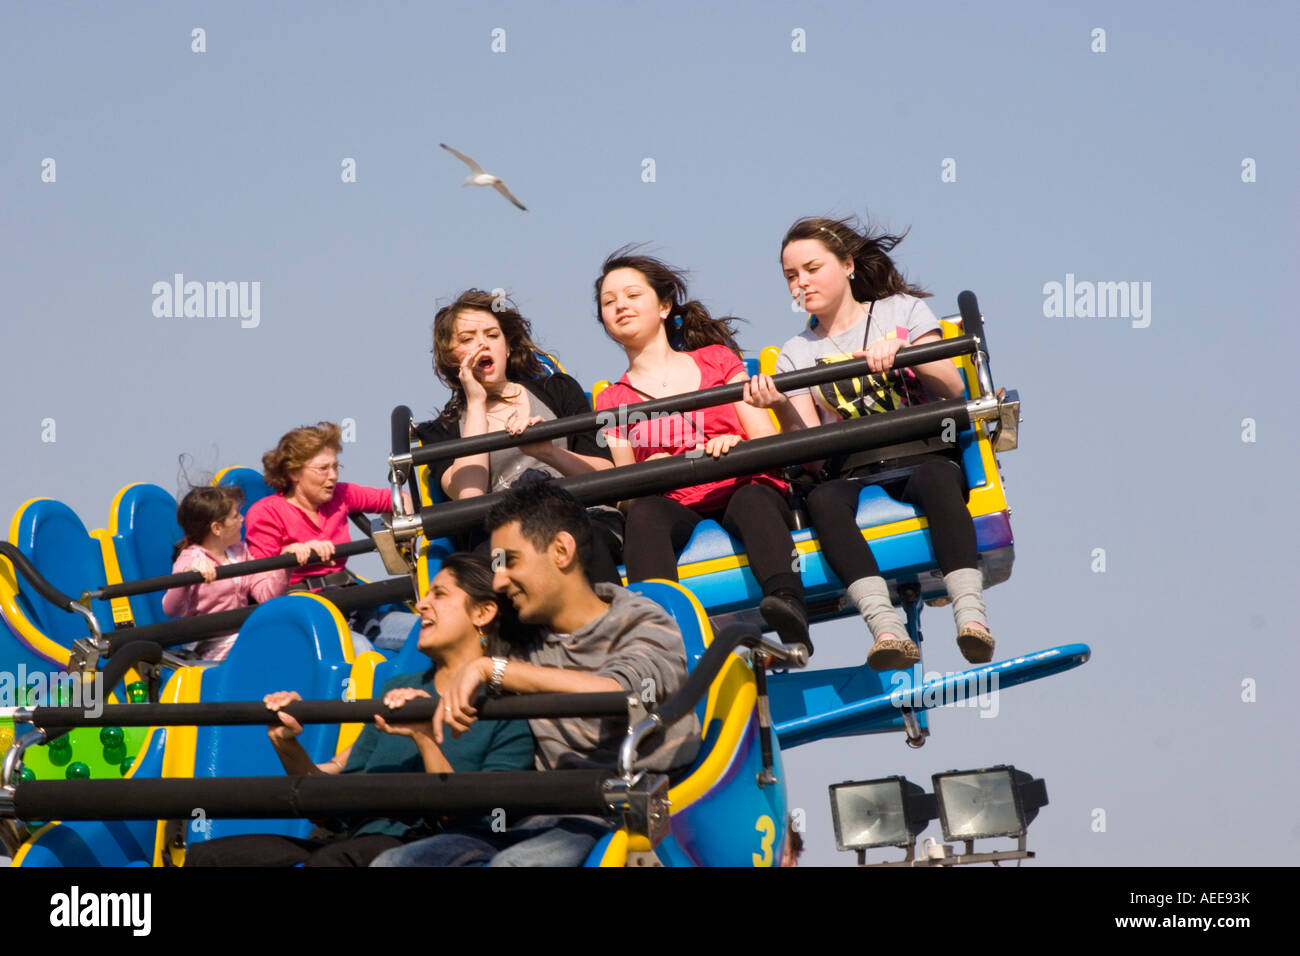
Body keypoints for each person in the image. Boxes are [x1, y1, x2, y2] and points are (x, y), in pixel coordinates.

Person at [371, 482, 701, 867]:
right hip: (538, 810)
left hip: (630, 806)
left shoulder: (643, 622)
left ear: (561, 551)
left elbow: (619, 692)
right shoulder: (523, 636)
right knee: (393, 863)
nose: (498, 582)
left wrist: (491, 668)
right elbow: (461, 643)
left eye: (510, 562)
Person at [745, 215, 993, 670]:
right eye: (791, 276)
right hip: (851, 466)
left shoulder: (902, 311)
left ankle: (971, 618)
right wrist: (779, 404)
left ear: (847, 265)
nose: (801, 282)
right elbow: (811, 453)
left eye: (812, 268)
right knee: (823, 500)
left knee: (940, 480)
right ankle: (885, 628)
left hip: (922, 449)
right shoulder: (795, 354)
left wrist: (906, 356)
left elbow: (954, 388)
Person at [184, 552, 535, 867]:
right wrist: (287, 743)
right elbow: (336, 806)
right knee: (211, 856)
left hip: (425, 846)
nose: (422, 605)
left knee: (334, 860)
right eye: (425, 595)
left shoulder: (505, 711)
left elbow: (477, 822)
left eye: (439, 594)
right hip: (353, 840)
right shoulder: (396, 689)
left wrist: (424, 738)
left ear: (483, 612)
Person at [591, 248, 809, 649]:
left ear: (664, 306)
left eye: (632, 295)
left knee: (754, 500)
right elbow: (622, 493)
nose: (620, 305)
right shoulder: (612, 400)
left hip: (740, 482)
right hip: (675, 501)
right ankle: (656, 637)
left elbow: (764, 438)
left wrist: (737, 444)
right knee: (643, 515)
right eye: (609, 301)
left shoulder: (718, 361)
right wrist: (650, 472)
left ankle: (787, 604)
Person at [415, 289, 624, 586]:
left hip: (580, 516)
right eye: (467, 339)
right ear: (451, 357)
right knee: (493, 564)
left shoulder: (558, 390)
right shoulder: (440, 432)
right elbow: (470, 496)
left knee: (576, 538)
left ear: (507, 347)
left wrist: (549, 452)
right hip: (505, 535)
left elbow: (607, 476)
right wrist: (475, 404)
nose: (481, 344)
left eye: (491, 335)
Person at [244, 421, 416, 651]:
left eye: (336, 467)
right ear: (294, 472)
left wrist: (407, 535)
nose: (333, 476)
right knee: (362, 650)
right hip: (308, 619)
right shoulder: (266, 513)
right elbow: (265, 596)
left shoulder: (341, 495)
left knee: (423, 630)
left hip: (351, 607)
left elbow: (399, 499)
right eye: (323, 469)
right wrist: (287, 559)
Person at [162, 485, 288, 660]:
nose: (242, 519)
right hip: (210, 646)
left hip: (241, 634)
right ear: (217, 528)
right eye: (236, 516)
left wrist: (285, 565)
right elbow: (170, 608)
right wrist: (188, 575)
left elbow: (266, 596)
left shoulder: (239, 552)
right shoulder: (191, 558)